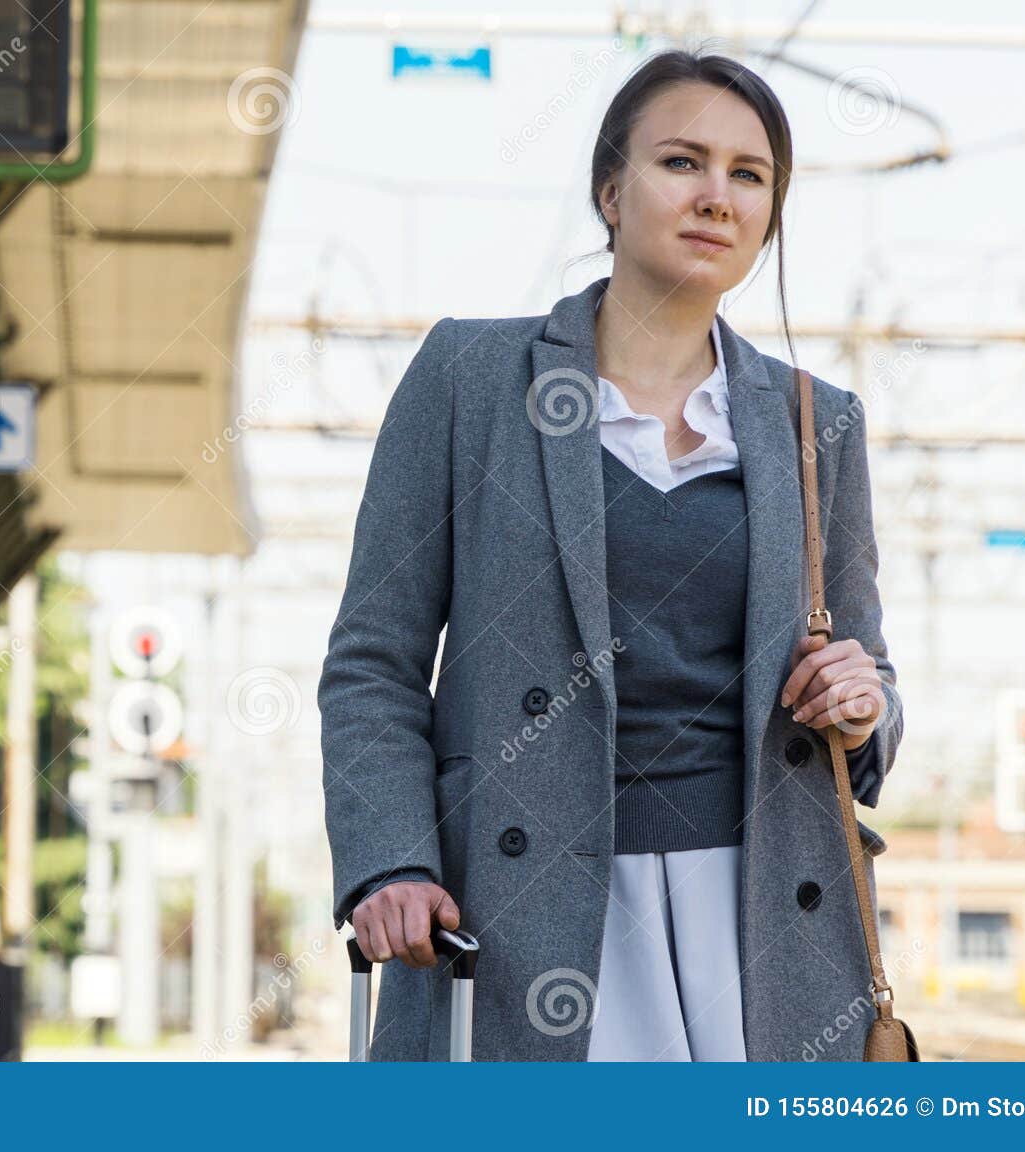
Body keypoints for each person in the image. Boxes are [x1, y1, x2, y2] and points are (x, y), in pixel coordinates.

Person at [320, 48, 904, 1061]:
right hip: (522, 915)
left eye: (749, 175)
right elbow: (373, 660)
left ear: (769, 217)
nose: (715, 196)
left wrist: (865, 700)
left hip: (763, 922)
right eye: (681, 162)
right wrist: (389, 864)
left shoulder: (820, 424)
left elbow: (866, 695)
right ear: (608, 189)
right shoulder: (468, 379)